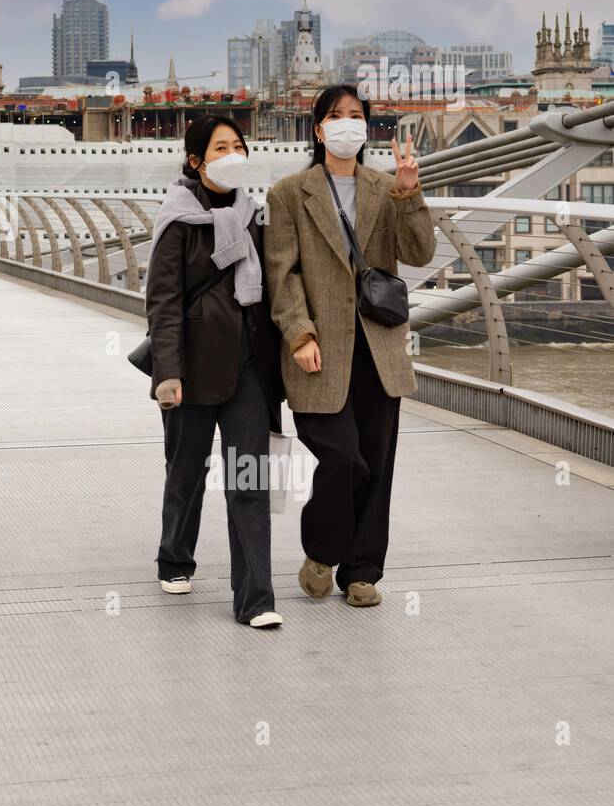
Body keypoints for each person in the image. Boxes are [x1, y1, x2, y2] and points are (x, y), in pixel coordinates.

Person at [265, 85, 435, 609]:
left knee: (376, 464)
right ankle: (321, 551)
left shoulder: (387, 189)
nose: (346, 124)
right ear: (318, 130)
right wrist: (299, 333)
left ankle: (362, 571)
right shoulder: (290, 193)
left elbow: (419, 252)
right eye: (335, 117)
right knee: (343, 458)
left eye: (356, 116)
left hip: (378, 348)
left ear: (367, 127)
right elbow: (282, 272)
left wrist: (410, 193)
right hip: (318, 350)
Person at [145, 114, 285, 629]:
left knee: (250, 479)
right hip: (192, 369)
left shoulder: (255, 215)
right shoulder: (178, 221)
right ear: (195, 160)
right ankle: (175, 557)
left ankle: (256, 599)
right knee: (187, 471)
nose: (232, 155)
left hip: (249, 368)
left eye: (238, 145)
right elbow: (163, 304)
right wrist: (168, 374)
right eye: (220, 148)